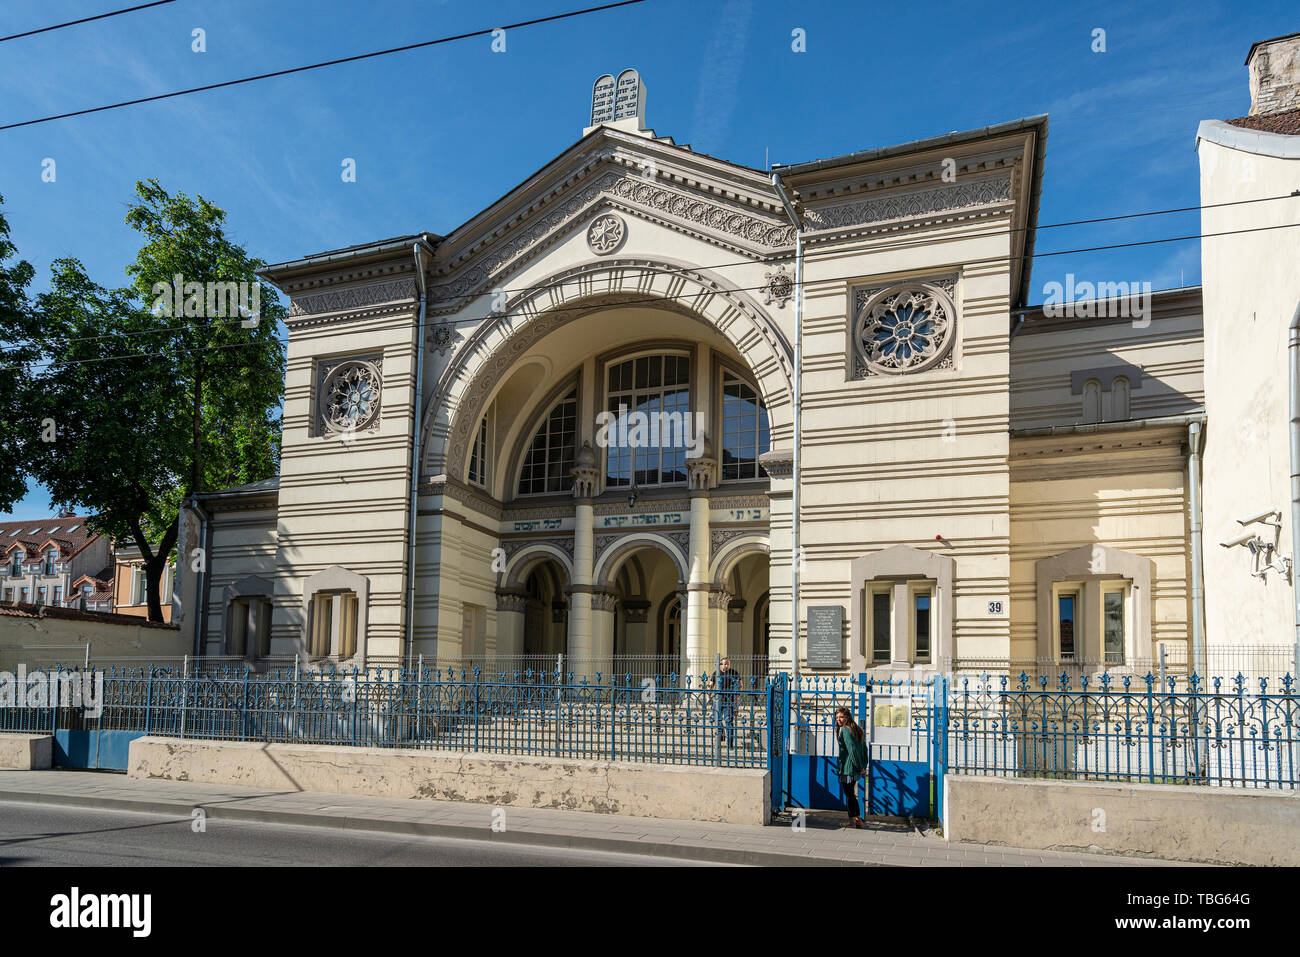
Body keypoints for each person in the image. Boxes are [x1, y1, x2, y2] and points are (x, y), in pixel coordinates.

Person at [834, 706, 869, 828]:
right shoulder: (857, 729)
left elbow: (852, 750)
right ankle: (858, 819)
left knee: (849, 795)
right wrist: (864, 764)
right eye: (837, 717)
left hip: (848, 767)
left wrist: (860, 766)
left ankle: (852, 822)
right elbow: (864, 749)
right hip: (855, 767)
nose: (839, 719)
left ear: (847, 717)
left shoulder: (844, 730)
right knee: (852, 795)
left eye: (841, 717)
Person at [710, 657, 740, 747]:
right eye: (723, 663)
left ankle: (730, 743)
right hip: (717, 700)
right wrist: (708, 696)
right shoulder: (716, 673)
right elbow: (711, 684)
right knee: (717, 719)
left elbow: (740, 685)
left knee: (728, 721)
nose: (725, 665)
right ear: (720, 664)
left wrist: (737, 697)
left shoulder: (734, 673)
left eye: (727, 663)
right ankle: (722, 734)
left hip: (729, 700)